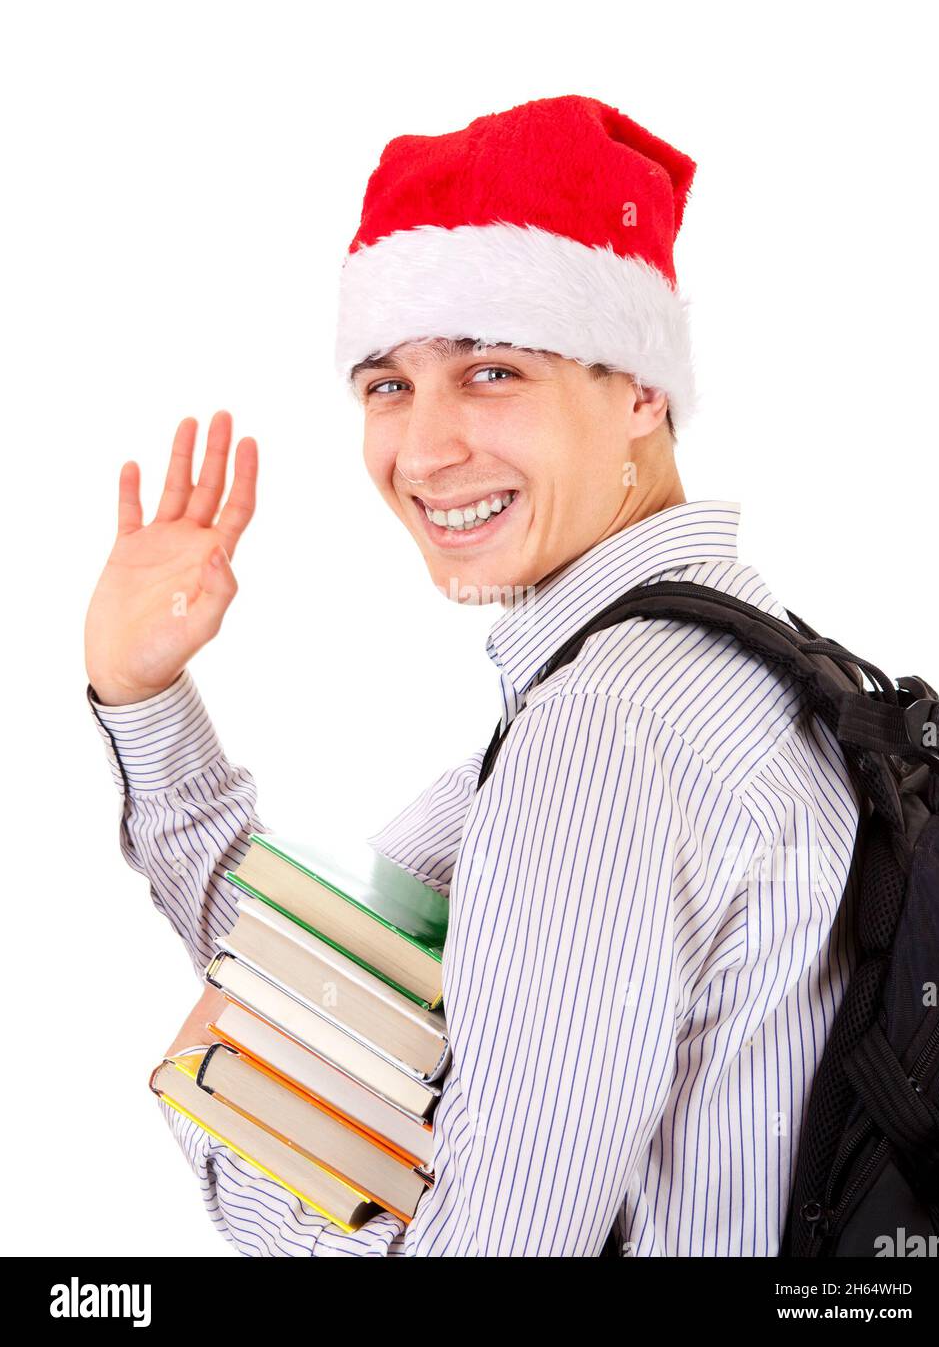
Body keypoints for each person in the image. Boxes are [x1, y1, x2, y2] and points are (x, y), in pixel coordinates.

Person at [84, 94, 863, 1257]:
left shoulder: (601, 736)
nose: (425, 450)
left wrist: (218, 1113)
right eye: (387, 384)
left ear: (639, 390)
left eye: (491, 370)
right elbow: (333, 977)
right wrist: (144, 697)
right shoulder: (748, 661)